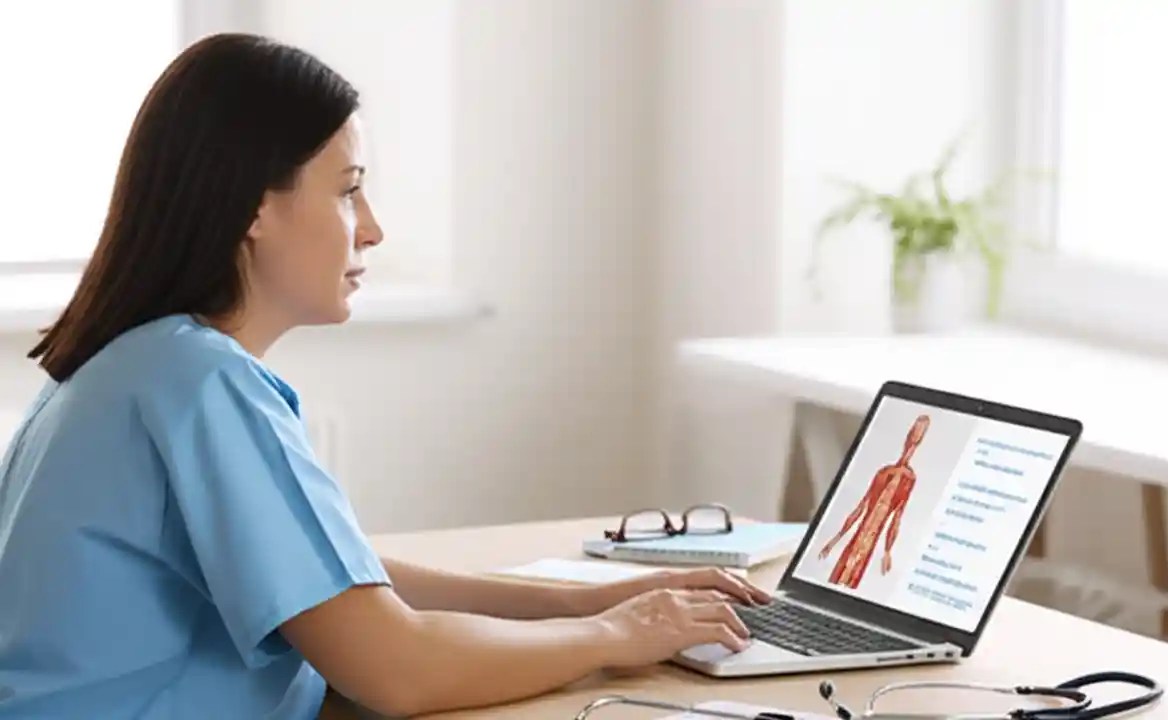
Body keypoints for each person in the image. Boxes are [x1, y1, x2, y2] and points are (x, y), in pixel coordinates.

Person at [0, 33, 767, 720]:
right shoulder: (200, 384)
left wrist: (587, 601)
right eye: (346, 188)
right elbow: (396, 668)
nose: (371, 226)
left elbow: (339, 586)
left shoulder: (129, 362)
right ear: (253, 208)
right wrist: (610, 635)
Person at [817, 415, 930, 589]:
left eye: (918, 437)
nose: (912, 443)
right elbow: (860, 508)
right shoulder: (884, 472)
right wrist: (834, 540)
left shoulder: (909, 479)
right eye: (913, 435)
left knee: (850, 583)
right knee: (837, 579)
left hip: (870, 545)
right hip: (856, 540)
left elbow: (896, 518)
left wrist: (887, 551)